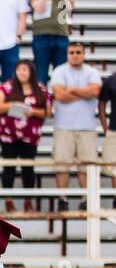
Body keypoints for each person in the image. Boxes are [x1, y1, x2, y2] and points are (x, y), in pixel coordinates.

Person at [0, 59, 50, 210]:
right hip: (8, 135)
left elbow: (48, 112)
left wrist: (33, 111)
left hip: (30, 136)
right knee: (9, 167)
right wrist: (12, 105)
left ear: (31, 72)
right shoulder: (7, 87)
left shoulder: (41, 89)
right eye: (19, 69)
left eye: (25, 69)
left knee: (28, 168)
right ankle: (8, 201)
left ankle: (28, 201)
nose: (22, 72)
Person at [50, 40, 102, 198]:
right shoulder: (59, 71)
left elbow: (95, 91)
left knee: (87, 167)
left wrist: (70, 89)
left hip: (87, 127)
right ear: (67, 54)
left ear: (84, 54)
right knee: (62, 166)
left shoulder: (92, 72)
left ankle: (86, 199)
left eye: (78, 52)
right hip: (63, 127)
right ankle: (62, 199)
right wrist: (84, 93)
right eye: (71, 52)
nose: (75, 55)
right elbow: (60, 95)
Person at [27, 0, 75, 85]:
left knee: (61, 77)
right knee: (40, 76)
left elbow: (70, 8)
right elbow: (39, 8)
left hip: (61, 35)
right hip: (41, 35)